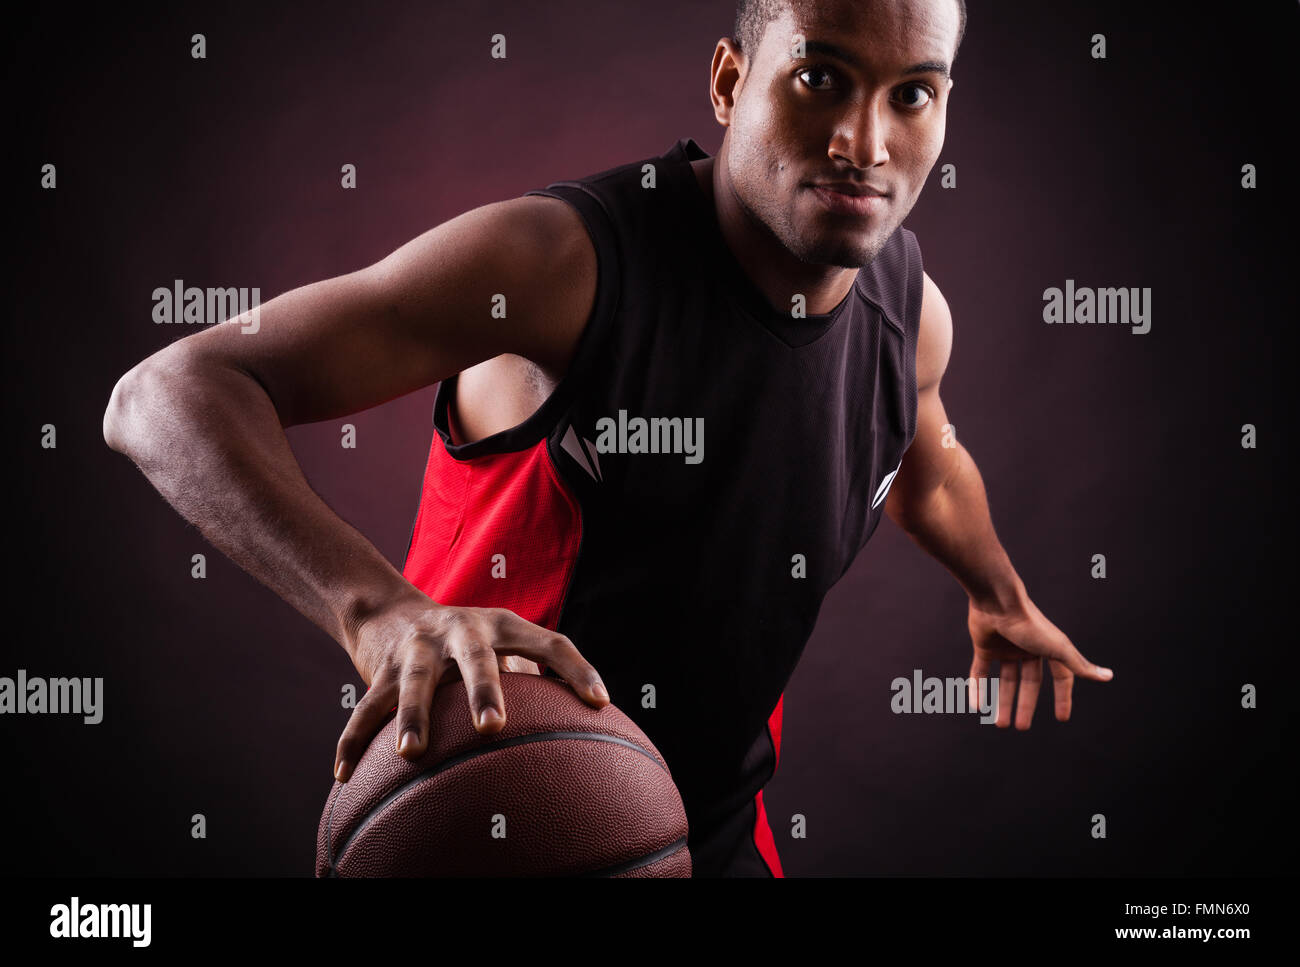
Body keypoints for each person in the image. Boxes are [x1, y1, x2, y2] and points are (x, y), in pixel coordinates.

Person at [103, 0, 1112, 877]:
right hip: (492, 827)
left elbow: (921, 454)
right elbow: (167, 392)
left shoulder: (911, 313)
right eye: (819, 76)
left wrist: (999, 593)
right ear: (730, 81)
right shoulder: (563, 266)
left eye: (912, 95)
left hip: (711, 840)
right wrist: (379, 615)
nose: (864, 139)